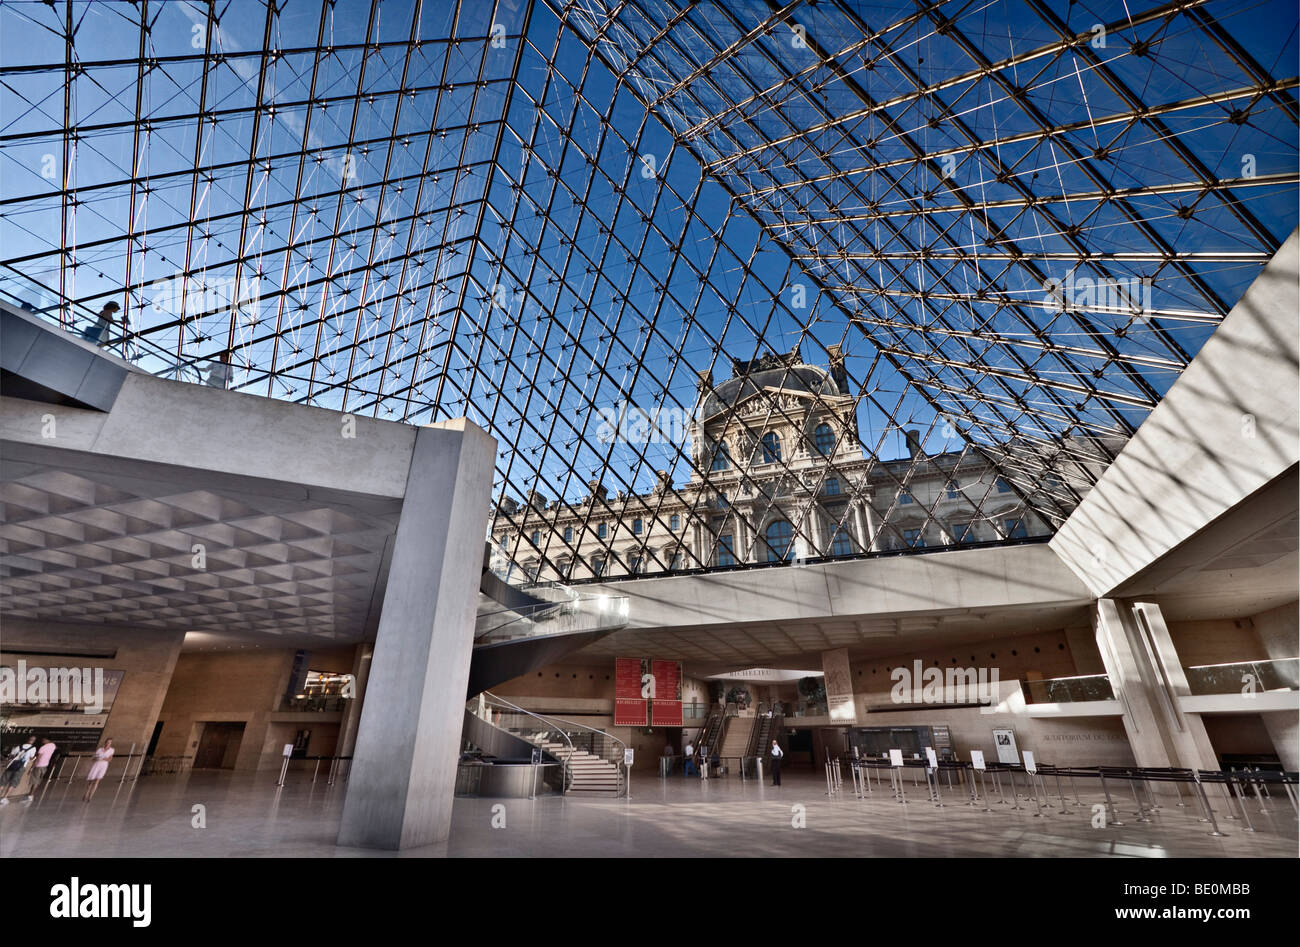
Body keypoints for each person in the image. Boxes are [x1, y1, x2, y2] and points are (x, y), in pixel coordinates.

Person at [0, 737, 37, 805]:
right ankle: (4, 798)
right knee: (14, 782)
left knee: (3, 781)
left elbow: (11, 756)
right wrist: (34, 758)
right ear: (33, 741)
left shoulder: (18, 747)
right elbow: (31, 758)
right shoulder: (33, 748)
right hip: (21, 767)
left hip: (12, 766)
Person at [22, 738, 56, 805]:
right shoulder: (53, 745)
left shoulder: (43, 748)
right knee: (37, 781)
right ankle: (30, 795)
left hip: (39, 765)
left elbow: (38, 759)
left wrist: (32, 768)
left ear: (47, 740)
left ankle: (30, 796)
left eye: (44, 739)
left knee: (34, 781)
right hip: (45, 765)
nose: (42, 740)